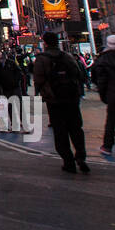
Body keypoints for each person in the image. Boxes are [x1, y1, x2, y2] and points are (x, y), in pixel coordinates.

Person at [33, 31, 89, 174]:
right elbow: (79, 74)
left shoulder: (41, 59)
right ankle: (81, 157)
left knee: (60, 130)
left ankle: (68, 161)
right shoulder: (67, 56)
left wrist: (40, 93)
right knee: (76, 128)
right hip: (71, 98)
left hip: (54, 100)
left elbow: (38, 79)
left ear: (44, 43)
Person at [90, 32, 115, 156]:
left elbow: (99, 79)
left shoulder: (102, 59)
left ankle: (107, 146)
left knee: (111, 121)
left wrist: (104, 95)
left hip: (113, 94)